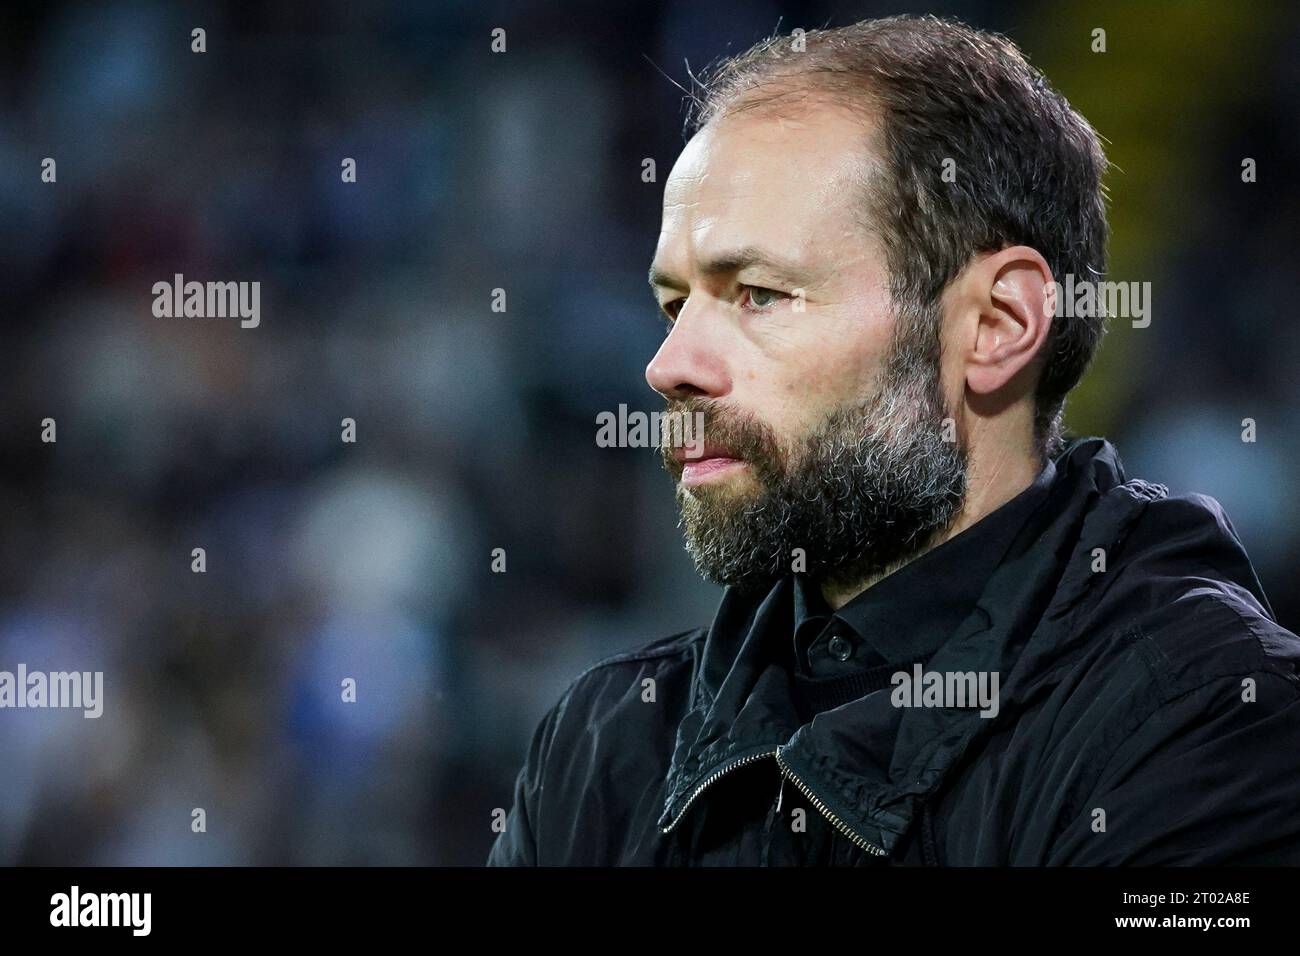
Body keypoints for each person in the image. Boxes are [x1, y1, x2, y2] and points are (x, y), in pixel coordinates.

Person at [487, 14, 1300, 865]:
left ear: (996, 324)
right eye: (673, 304)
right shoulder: (600, 748)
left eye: (759, 293)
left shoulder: (1209, 720)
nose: (668, 364)